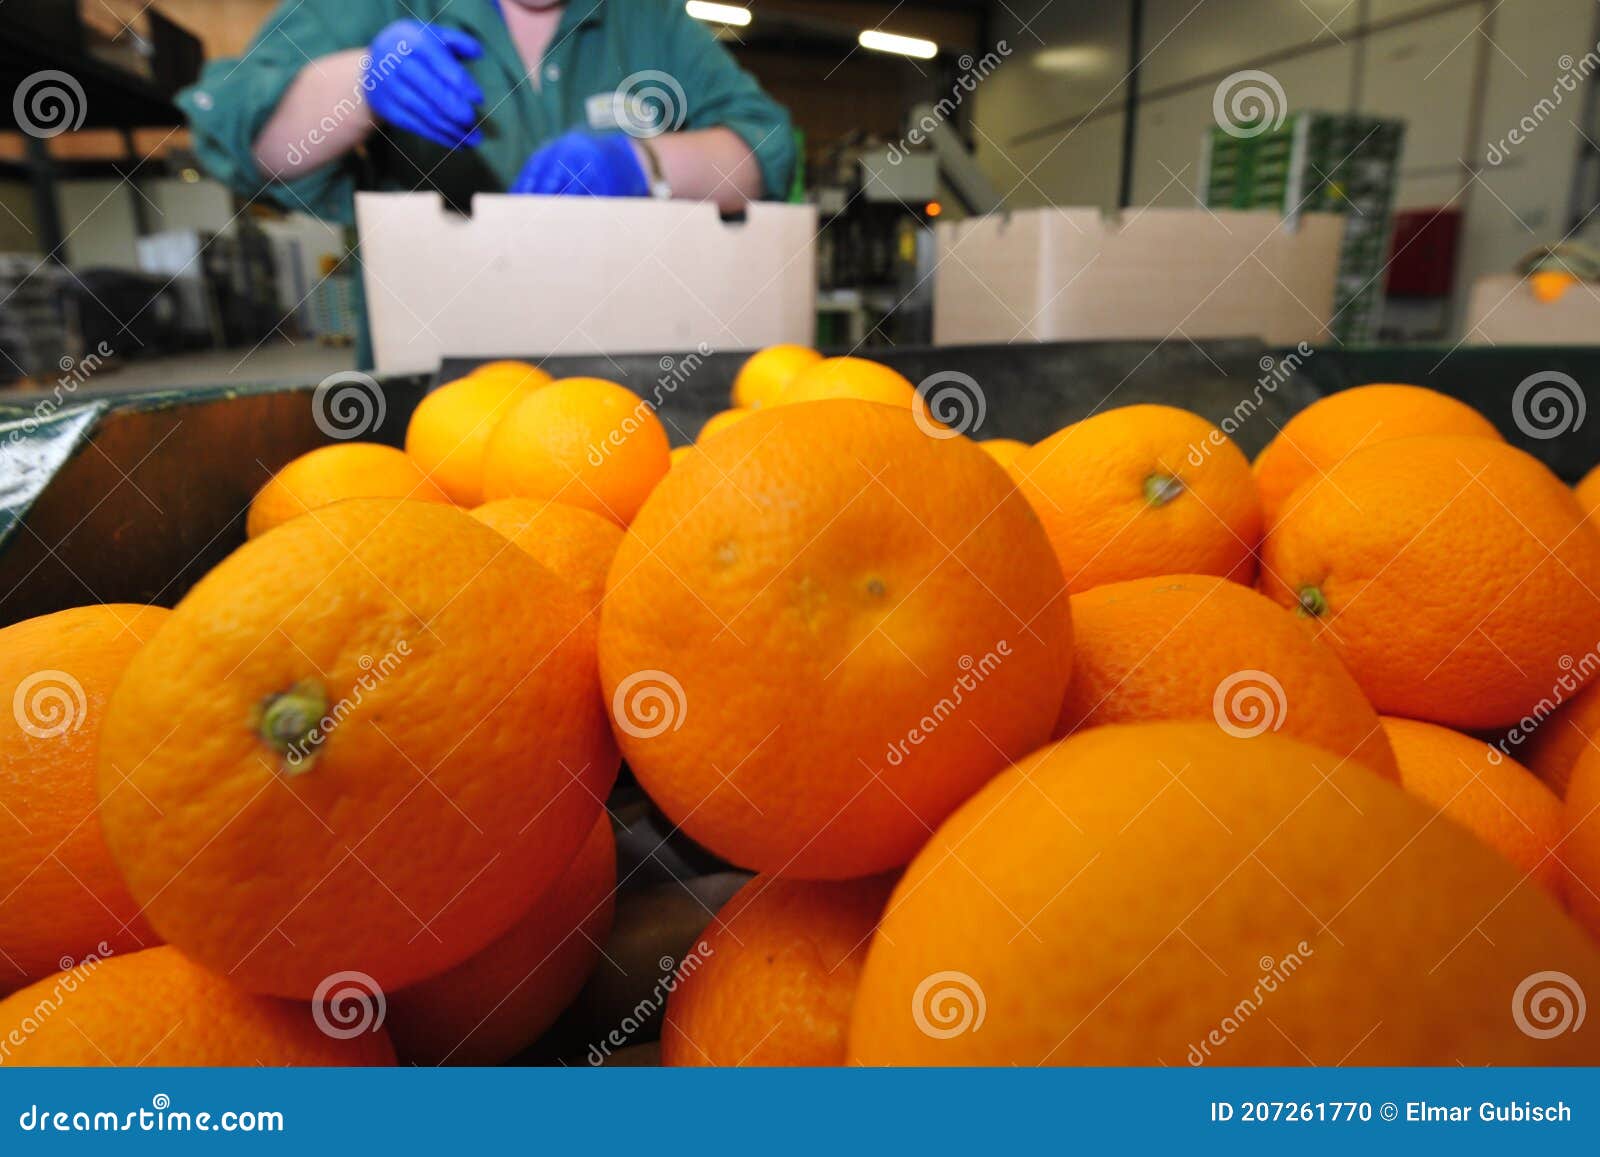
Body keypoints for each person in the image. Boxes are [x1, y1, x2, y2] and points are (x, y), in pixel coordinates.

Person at [178, 0, 795, 360]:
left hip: (617, 387)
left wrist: (645, 164)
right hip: (430, 390)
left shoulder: (645, 20)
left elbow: (766, 149)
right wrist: (362, 81)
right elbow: (239, 136)